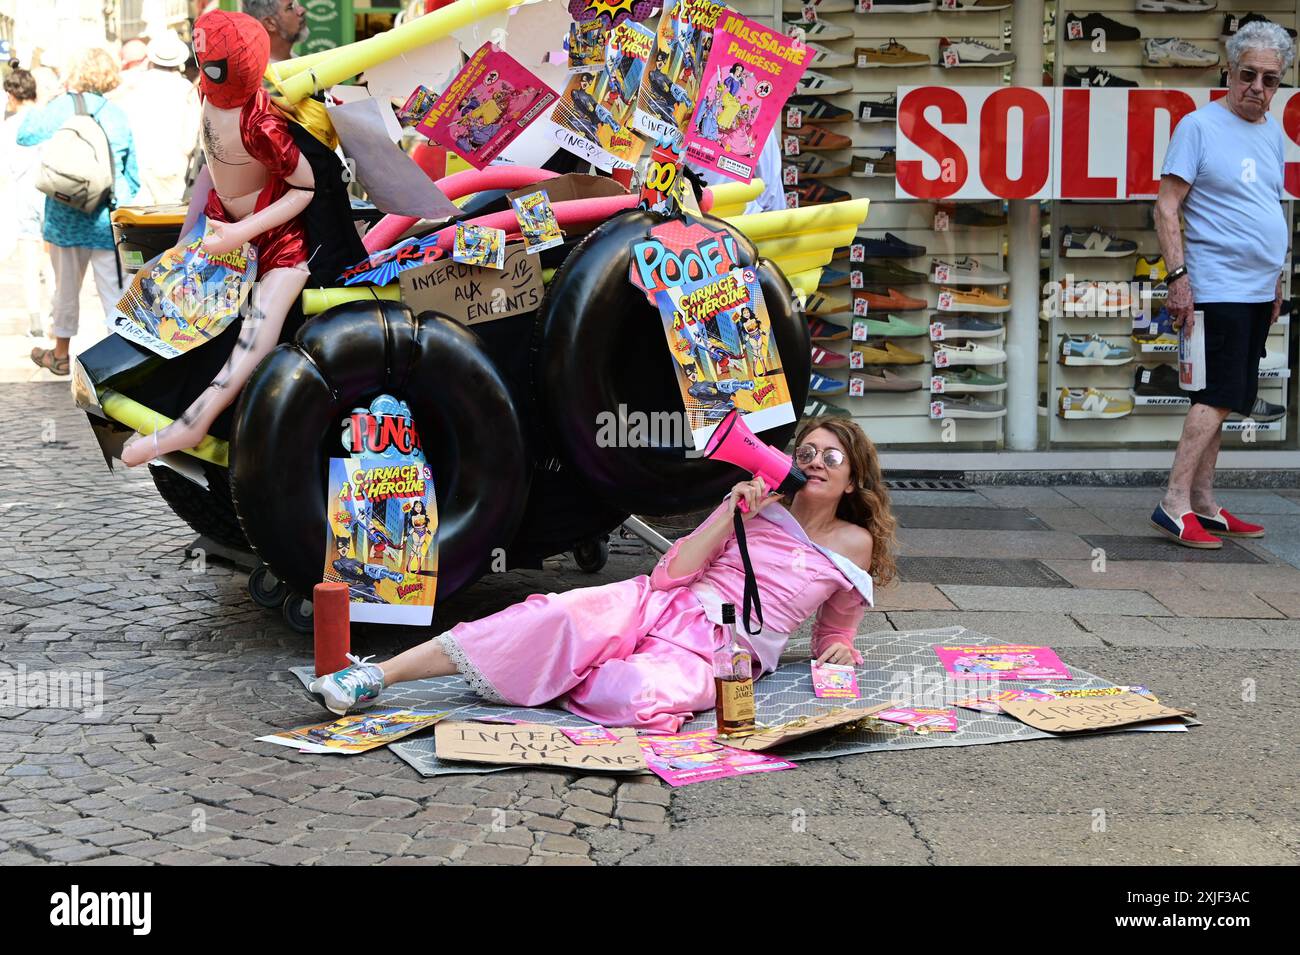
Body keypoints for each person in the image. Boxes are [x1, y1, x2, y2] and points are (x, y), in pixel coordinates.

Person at [310, 417, 898, 733]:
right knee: (552, 614)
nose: (814, 462)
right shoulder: (758, 508)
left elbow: (835, 629)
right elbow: (671, 576)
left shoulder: (856, 543)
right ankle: (374, 678)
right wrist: (729, 512)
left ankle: (555, 669)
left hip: (726, 651)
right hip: (662, 604)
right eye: (807, 452)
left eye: (831, 457)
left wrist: (840, 648)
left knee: (641, 695)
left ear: (853, 479)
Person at [1151, 20, 1292, 548]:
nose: (1257, 87)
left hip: (1256, 288)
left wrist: (1276, 277)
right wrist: (1178, 277)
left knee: (1232, 397)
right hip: (1216, 286)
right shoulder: (1198, 126)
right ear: (1228, 72)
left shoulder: (1270, 131)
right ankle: (1173, 502)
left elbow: (1267, 207)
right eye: (1248, 74)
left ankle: (1205, 504)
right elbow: (1167, 207)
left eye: (1270, 79)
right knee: (1215, 395)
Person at [21, 48, 139, 377]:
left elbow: (24, 134)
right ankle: (122, 362)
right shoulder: (117, 114)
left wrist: (50, 99)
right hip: (105, 220)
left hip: (63, 217)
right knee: (115, 293)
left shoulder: (61, 107)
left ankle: (60, 355)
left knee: (65, 290)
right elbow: (132, 176)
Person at [111, 29, 200, 205]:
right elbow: (188, 142)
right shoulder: (186, 89)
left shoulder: (132, 86)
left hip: (137, 167)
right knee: (168, 227)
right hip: (171, 167)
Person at [1, 65, 51, 336]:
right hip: (51, 193)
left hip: (23, 196)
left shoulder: (8, 127)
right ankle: (56, 309)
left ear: (11, 95)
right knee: (54, 258)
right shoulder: (48, 118)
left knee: (29, 261)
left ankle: (35, 321)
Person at [242, 0, 309, 63]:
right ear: (270, 23)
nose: (301, 10)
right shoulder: (261, 74)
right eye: (290, 7)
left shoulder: (298, 62)